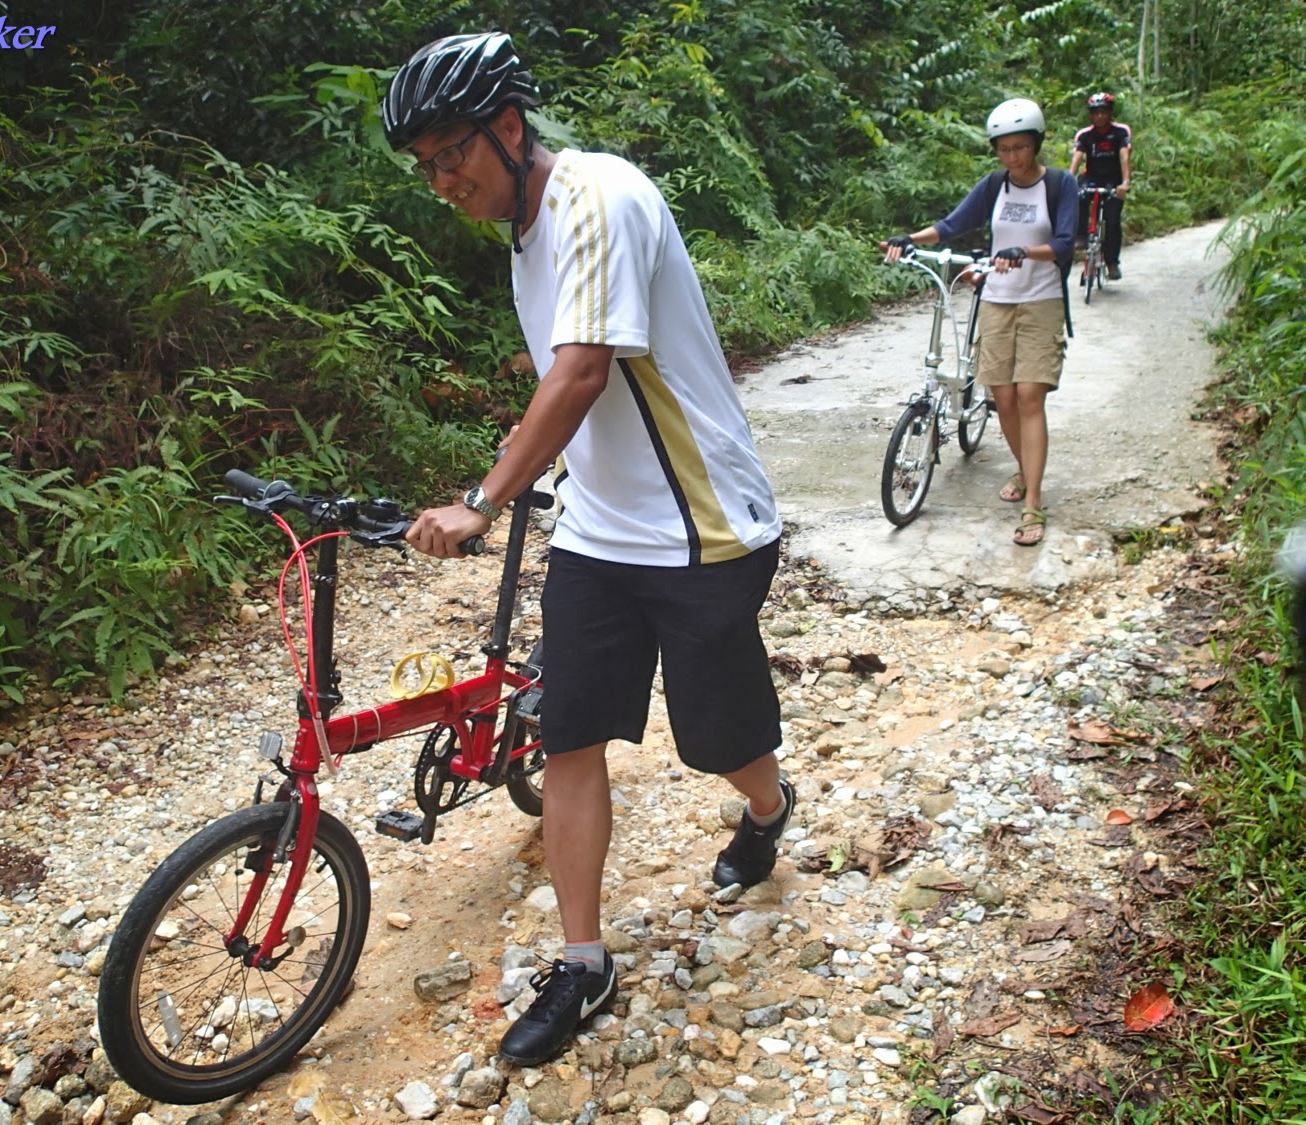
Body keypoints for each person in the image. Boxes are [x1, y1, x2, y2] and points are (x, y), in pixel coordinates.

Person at [382, 32, 794, 1067]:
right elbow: (556, 375)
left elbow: (581, 373)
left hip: (705, 531)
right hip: (601, 536)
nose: (442, 182)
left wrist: (483, 497)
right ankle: (582, 962)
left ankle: (768, 805)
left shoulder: (598, 197)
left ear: (510, 128)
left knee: (716, 741)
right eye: (426, 166)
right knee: (569, 734)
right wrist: (547, 485)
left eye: (453, 157)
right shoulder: (522, 231)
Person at [882, 98, 1079, 548]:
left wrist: (1023, 252)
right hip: (995, 300)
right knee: (1003, 398)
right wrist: (907, 239)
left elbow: (1065, 242)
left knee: (1030, 395)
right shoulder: (994, 187)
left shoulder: (1061, 185)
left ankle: (1033, 500)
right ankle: (1025, 466)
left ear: (1036, 145)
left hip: (1042, 300)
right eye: (1004, 149)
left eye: (1020, 148)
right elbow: (950, 226)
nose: (1012, 157)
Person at [1068, 92, 1132, 280]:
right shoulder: (1085, 135)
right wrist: (1069, 178)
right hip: (1092, 178)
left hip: (1115, 181)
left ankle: (1112, 263)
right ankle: (1080, 235)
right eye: (1095, 113)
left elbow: (1124, 156)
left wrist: (1125, 182)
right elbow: (1077, 157)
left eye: (1103, 112)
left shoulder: (1121, 132)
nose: (1100, 116)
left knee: (1112, 221)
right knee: (1078, 196)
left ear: (1110, 113)